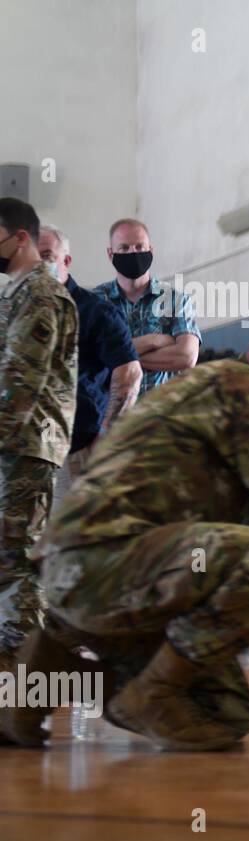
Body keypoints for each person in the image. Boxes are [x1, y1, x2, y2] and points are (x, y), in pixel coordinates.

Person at [0, 360, 249, 751]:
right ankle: (154, 691)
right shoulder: (245, 388)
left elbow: (225, 582)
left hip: (85, 585)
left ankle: (45, 675)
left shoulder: (194, 420)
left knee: (224, 713)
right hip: (108, 568)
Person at [0, 200, 79, 662]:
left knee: (17, 561)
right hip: (12, 444)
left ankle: (24, 680)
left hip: (25, 445)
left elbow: (19, 381)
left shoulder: (41, 295)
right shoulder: (16, 294)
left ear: (20, 238)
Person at [38, 226, 141, 505]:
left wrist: (107, 436)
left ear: (66, 261)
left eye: (47, 256)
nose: (39, 264)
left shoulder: (95, 311)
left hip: (79, 451)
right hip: (29, 455)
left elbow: (129, 372)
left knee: (77, 541)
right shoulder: (18, 314)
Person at [94, 218, 200, 396]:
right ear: (110, 254)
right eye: (124, 248)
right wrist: (155, 341)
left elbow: (186, 356)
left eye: (139, 246)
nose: (133, 252)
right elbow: (90, 357)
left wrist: (116, 356)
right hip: (111, 417)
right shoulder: (96, 303)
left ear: (151, 250)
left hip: (161, 415)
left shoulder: (175, 299)